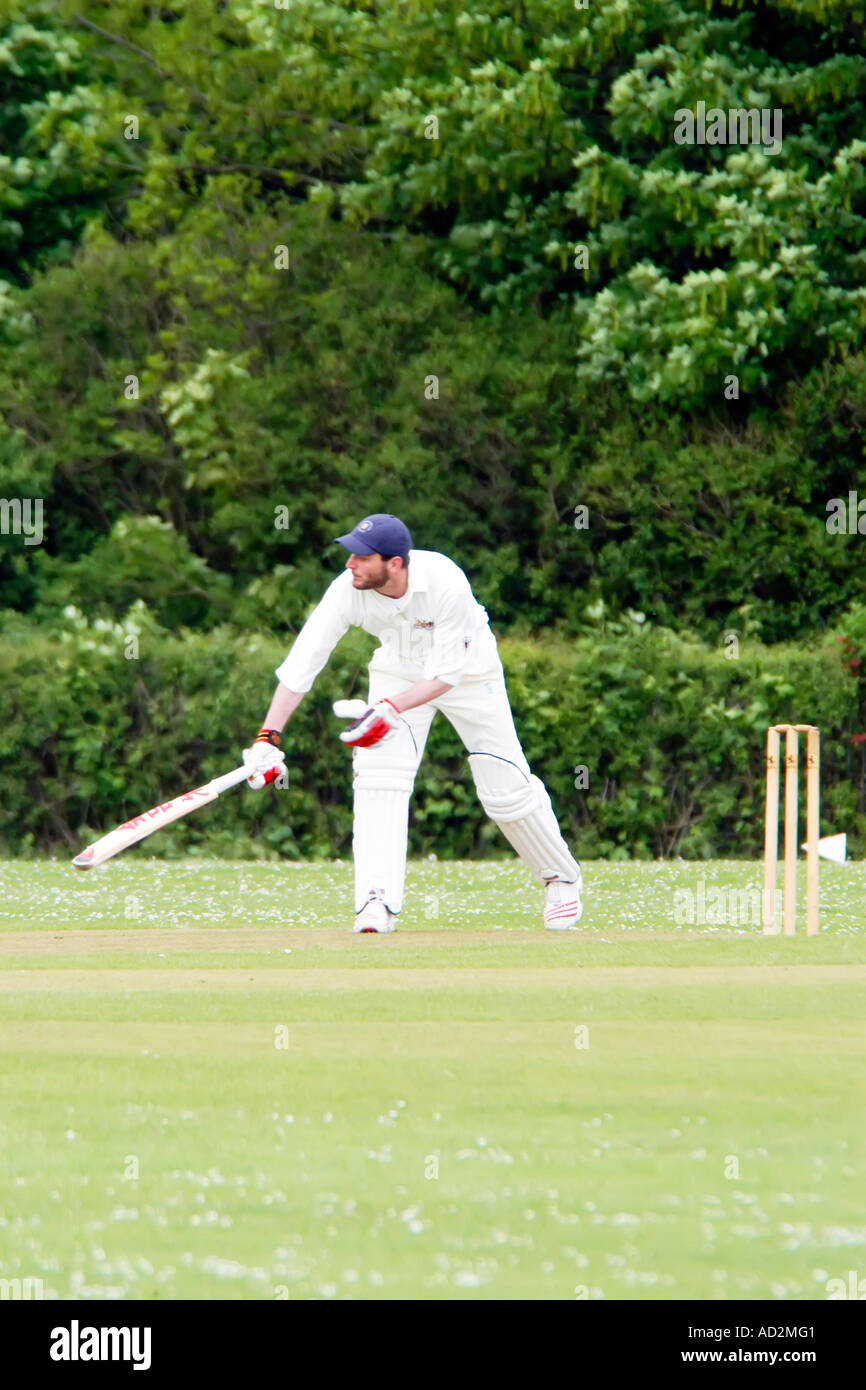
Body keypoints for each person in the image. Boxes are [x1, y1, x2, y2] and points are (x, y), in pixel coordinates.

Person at [242, 514, 583, 933]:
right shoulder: (346, 590)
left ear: (395, 564)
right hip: (397, 672)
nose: (350, 564)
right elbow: (303, 664)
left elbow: (445, 676)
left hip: (469, 674)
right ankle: (376, 901)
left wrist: (389, 708)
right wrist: (267, 737)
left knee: (503, 788)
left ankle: (560, 879)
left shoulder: (445, 583)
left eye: (362, 557)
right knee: (378, 778)